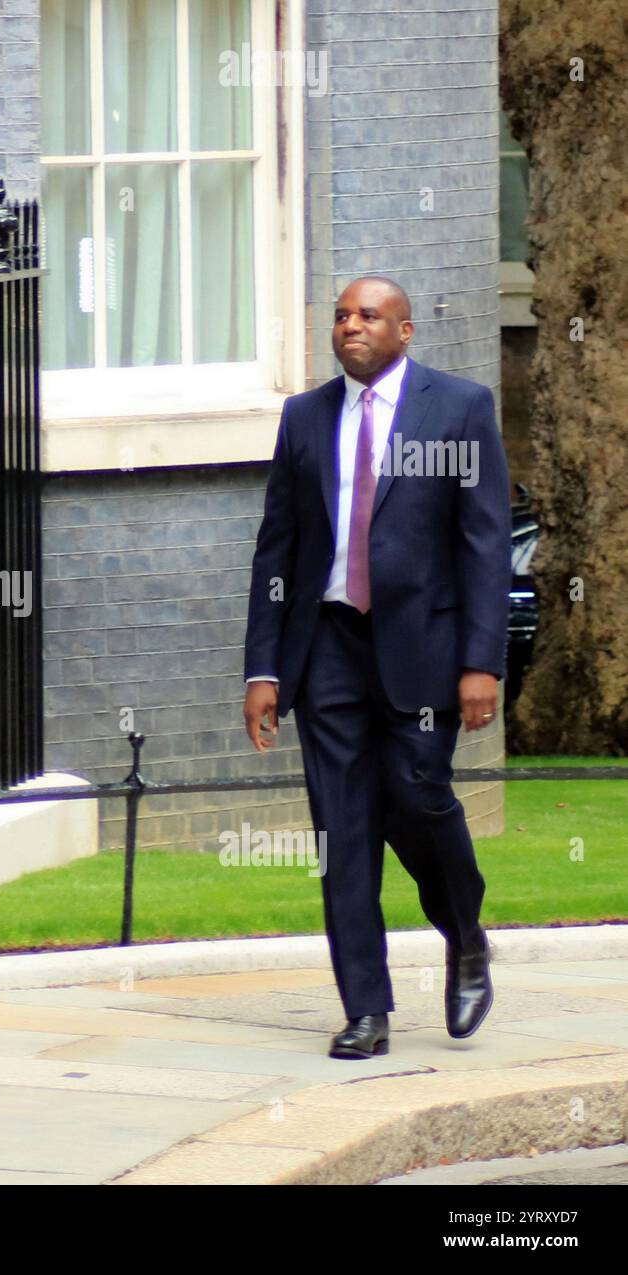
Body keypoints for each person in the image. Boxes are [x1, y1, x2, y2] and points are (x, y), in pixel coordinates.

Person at [242, 275, 511, 1059]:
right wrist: (263, 667)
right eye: (341, 316)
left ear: (406, 329)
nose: (350, 327)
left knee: (418, 800)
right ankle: (367, 1008)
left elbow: (485, 546)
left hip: (425, 653)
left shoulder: (459, 409)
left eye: (368, 316)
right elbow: (277, 550)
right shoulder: (305, 416)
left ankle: (465, 934)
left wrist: (480, 664)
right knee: (344, 832)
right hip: (326, 649)